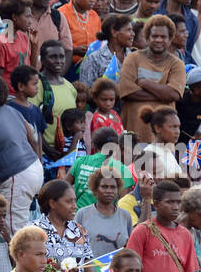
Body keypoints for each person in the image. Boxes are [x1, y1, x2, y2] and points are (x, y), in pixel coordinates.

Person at [125, 180, 198, 272]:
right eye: (170, 202)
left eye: (178, 202)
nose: (176, 207)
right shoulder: (142, 231)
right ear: (157, 204)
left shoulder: (185, 235)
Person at [0, 73, 40, 230]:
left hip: (16, 176)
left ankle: (20, 255)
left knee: (13, 228)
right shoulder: (12, 111)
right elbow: (33, 139)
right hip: (34, 167)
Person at [117, 15, 185, 143]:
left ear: (170, 39)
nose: (158, 40)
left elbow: (174, 94)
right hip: (133, 134)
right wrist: (163, 95)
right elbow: (126, 91)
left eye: (163, 37)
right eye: (154, 36)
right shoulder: (133, 58)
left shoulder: (176, 64)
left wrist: (144, 83)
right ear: (147, 37)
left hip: (164, 137)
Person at [75, 168, 133, 259]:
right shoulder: (82, 214)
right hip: (90, 271)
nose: (109, 191)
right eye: (104, 187)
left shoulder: (125, 216)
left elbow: (131, 247)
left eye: (113, 187)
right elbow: (74, 247)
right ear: (95, 189)